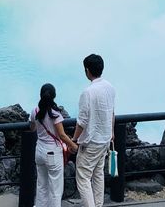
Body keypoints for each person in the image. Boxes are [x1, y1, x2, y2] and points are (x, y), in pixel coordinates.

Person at [72, 54, 116, 207]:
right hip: (105, 139)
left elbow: (82, 122)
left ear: (87, 70)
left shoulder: (88, 92)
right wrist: (112, 132)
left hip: (91, 142)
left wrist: (74, 139)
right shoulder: (110, 87)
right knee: (98, 175)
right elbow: (112, 112)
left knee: (83, 178)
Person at [29, 83, 78, 207]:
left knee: (41, 185)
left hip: (39, 151)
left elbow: (32, 128)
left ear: (41, 95)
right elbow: (62, 135)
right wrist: (73, 145)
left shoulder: (35, 111)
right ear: (54, 96)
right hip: (52, 153)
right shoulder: (55, 114)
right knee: (55, 189)